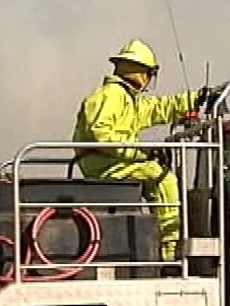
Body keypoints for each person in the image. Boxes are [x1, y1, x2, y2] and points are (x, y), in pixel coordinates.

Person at [72, 39, 202, 260]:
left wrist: (195, 99)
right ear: (142, 72)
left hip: (109, 162)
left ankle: (160, 242)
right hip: (104, 164)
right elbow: (101, 134)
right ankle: (170, 254)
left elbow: (157, 108)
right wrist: (140, 152)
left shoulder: (126, 98)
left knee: (155, 173)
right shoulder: (112, 95)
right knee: (163, 179)